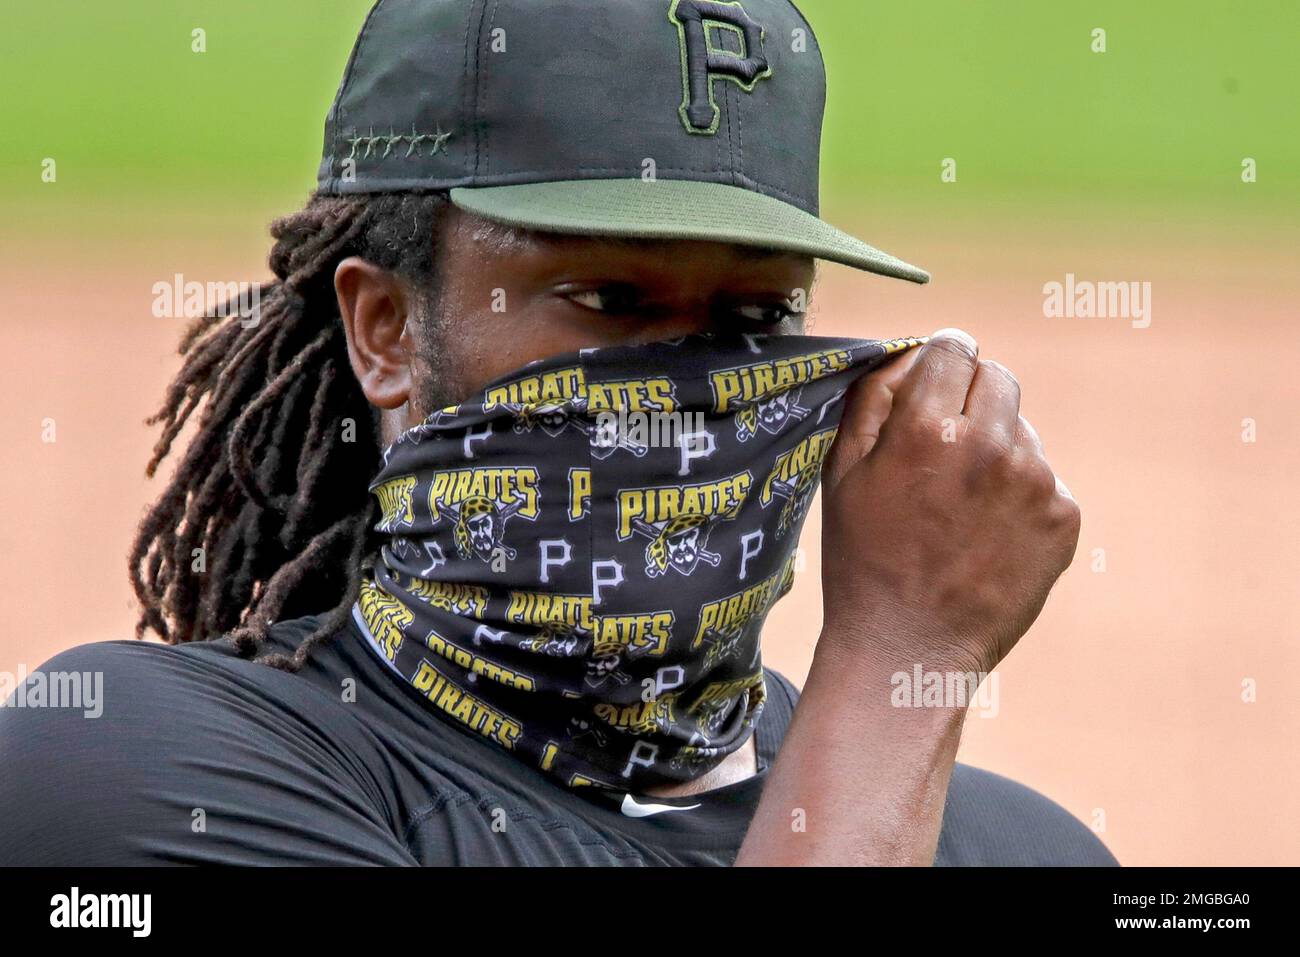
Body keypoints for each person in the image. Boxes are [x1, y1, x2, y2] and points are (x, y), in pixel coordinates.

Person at [0, 0, 1115, 866]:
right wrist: (895, 665)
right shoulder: (139, 775)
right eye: (609, 300)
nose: (692, 386)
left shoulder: (1020, 850)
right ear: (384, 330)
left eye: (754, 318)